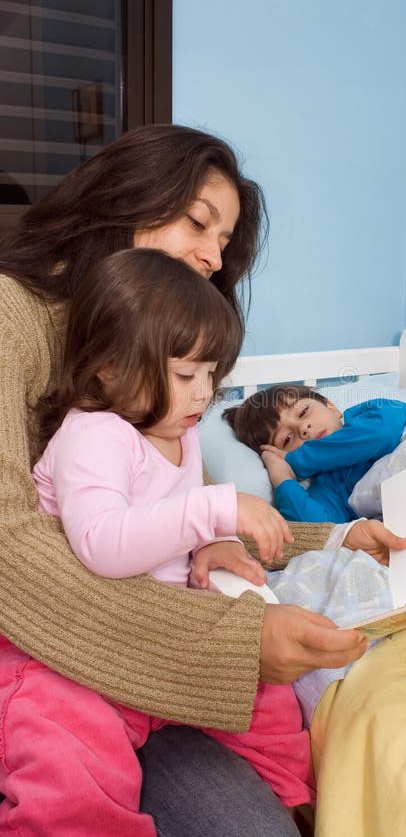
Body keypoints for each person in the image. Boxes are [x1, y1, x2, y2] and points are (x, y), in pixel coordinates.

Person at [0, 123, 406, 836]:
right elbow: (12, 551)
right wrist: (232, 640)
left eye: (225, 246)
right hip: (52, 658)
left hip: (143, 649)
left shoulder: (164, 386)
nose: (213, 259)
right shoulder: (16, 318)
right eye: (198, 223)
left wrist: (337, 537)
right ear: (127, 198)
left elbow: (202, 515)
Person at [30, 247, 314, 815]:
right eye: (186, 374)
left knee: (268, 699)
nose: (204, 393)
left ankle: (292, 804)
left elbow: (172, 518)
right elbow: (103, 545)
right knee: (68, 756)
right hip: (80, 646)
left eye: (212, 374)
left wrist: (213, 543)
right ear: (108, 367)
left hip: (160, 636)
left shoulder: (178, 430)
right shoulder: (95, 434)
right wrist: (213, 512)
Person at [224, 384, 406, 522]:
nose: (303, 428)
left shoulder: (369, 415)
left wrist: (298, 460)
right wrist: (281, 476)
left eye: (304, 412)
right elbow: (319, 529)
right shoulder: (329, 486)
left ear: (331, 407)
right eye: (287, 439)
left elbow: (383, 433)